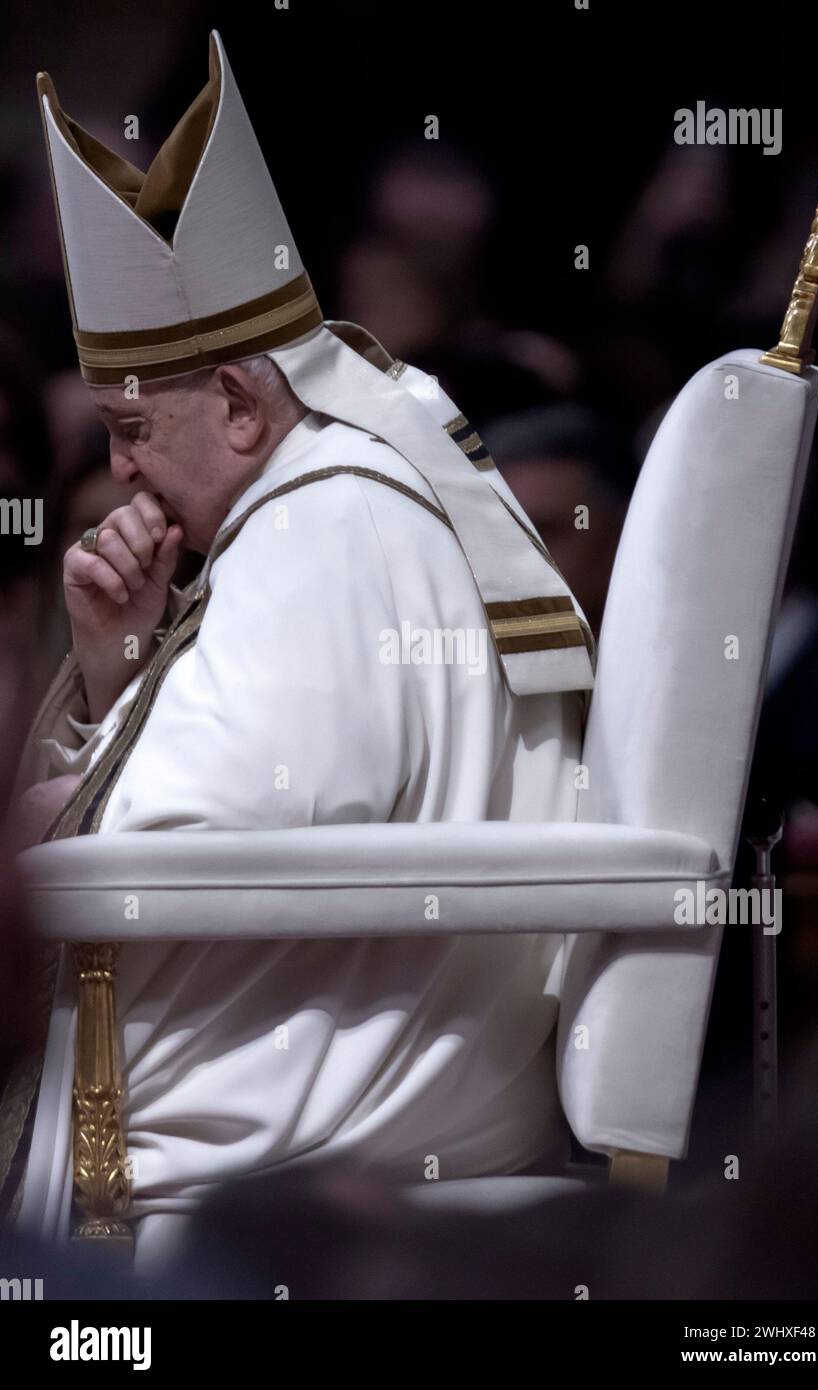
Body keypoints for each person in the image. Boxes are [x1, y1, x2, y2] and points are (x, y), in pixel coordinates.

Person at [0, 30, 595, 1274]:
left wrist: (60, 809)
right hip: (366, 1073)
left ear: (234, 401)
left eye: (128, 428)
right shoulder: (338, 491)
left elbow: (199, 835)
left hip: (293, 1138)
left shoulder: (325, 519)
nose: (115, 471)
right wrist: (116, 670)